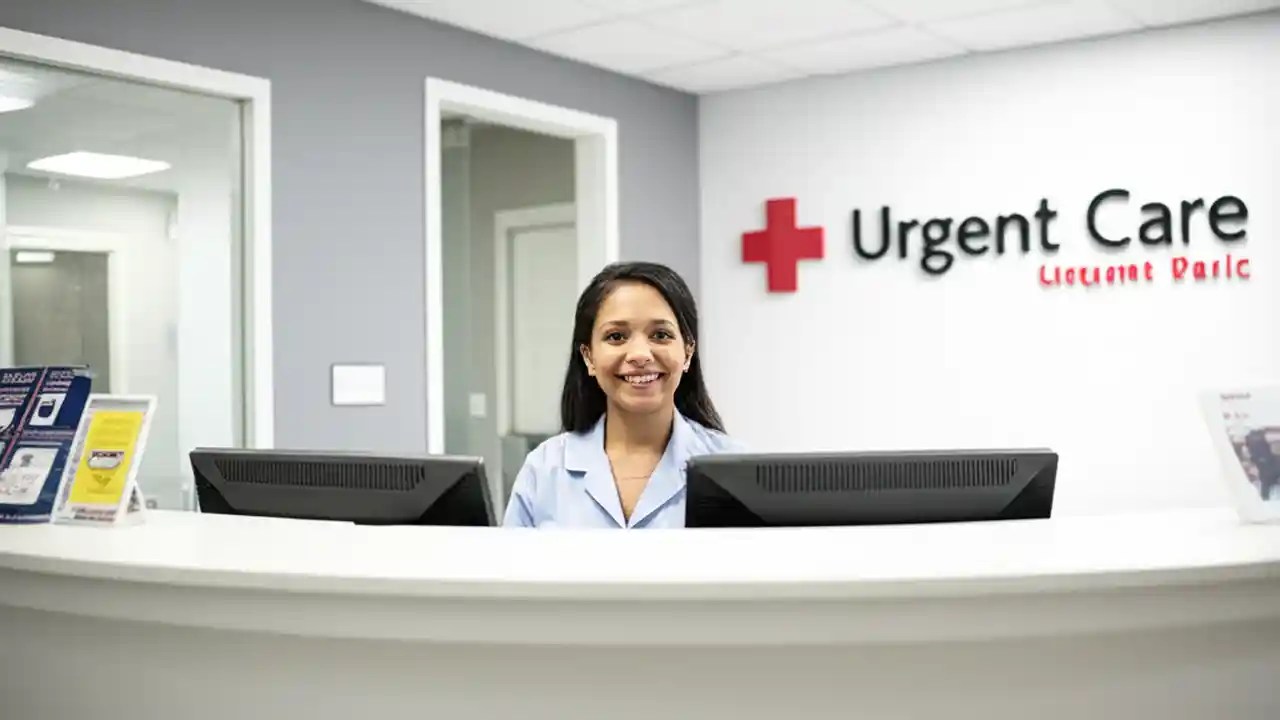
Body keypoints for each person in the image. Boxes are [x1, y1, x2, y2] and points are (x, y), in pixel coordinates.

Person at [502, 261, 741, 528]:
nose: (640, 354)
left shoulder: (734, 468)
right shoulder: (544, 468)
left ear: (687, 352)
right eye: (616, 336)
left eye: (660, 335)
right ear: (588, 357)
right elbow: (507, 568)